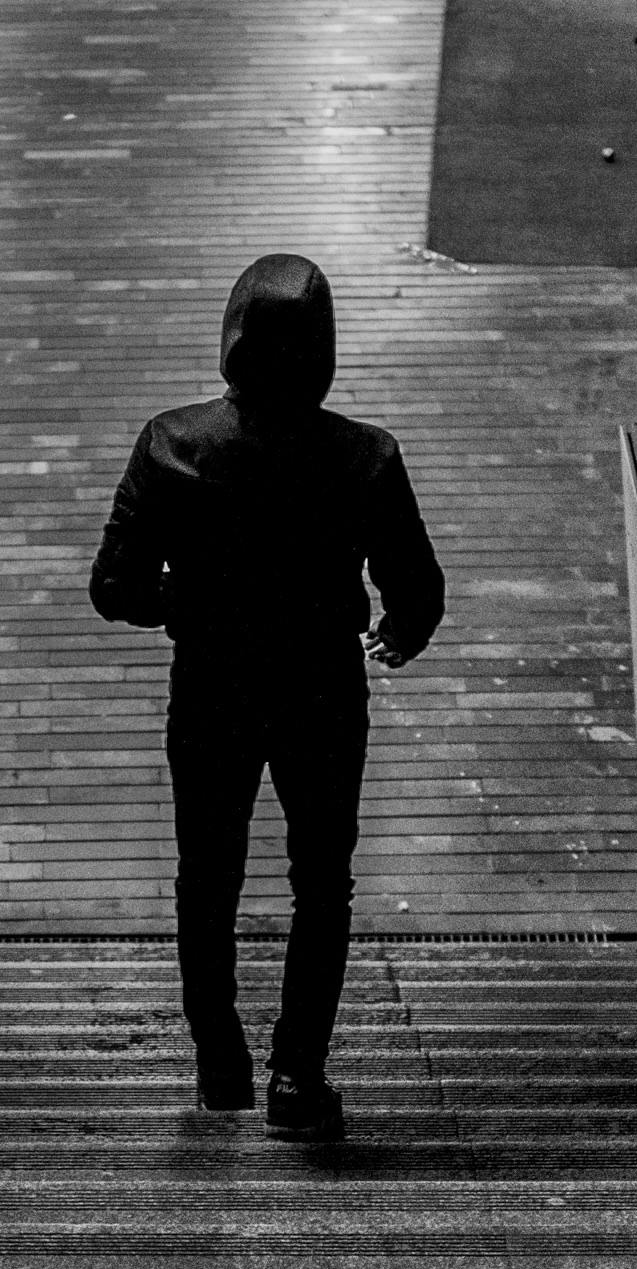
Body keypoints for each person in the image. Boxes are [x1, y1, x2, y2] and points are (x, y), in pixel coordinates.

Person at [89, 252, 445, 1143]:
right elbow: (417, 586)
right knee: (323, 883)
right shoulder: (365, 456)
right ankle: (299, 1072)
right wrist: (397, 632)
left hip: (212, 684)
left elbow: (114, 587)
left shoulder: (172, 444)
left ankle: (221, 1067)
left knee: (207, 877)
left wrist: (189, 605)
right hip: (322, 688)